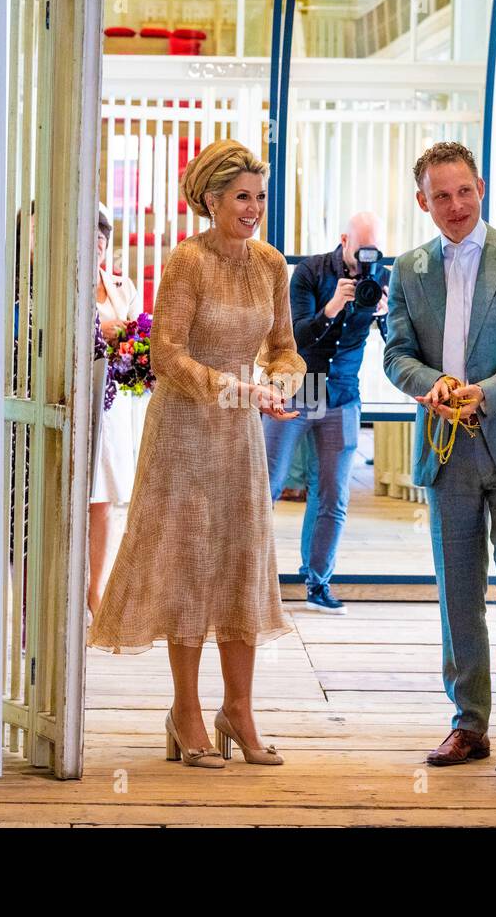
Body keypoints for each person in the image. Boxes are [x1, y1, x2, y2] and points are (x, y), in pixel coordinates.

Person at [87, 139, 306, 770]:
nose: (254, 208)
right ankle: (185, 712)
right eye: (243, 197)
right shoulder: (187, 261)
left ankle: (238, 709)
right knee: (188, 565)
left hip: (240, 438)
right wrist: (229, 385)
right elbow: (166, 356)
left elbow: (286, 349)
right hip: (183, 432)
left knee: (241, 561)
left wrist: (280, 384)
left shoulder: (270, 263)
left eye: (260, 197)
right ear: (210, 199)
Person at [383, 141, 496, 773]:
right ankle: (469, 725)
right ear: (423, 201)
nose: (455, 205)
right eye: (441, 196)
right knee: (457, 593)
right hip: (447, 454)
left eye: (464, 191)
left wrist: (484, 394)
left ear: (480, 188)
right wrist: (427, 385)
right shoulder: (408, 269)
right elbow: (395, 355)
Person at [263, 211, 389, 614]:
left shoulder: (382, 280)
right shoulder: (309, 273)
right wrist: (333, 306)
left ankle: (318, 583)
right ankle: (248, 582)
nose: (367, 259)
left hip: (342, 395)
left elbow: (398, 342)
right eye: (361, 249)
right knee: (267, 484)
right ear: (344, 240)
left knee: (333, 494)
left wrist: (386, 317)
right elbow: (296, 335)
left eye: (375, 251)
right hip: (299, 387)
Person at [87, 204, 139, 616]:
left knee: (103, 499)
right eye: (91, 241)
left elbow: (138, 335)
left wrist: (128, 343)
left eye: (102, 243)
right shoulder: (60, 283)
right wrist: (98, 330)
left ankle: (96, 588)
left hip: (112, 404)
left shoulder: (122, 286)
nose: (97, 250)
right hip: (76, 396)